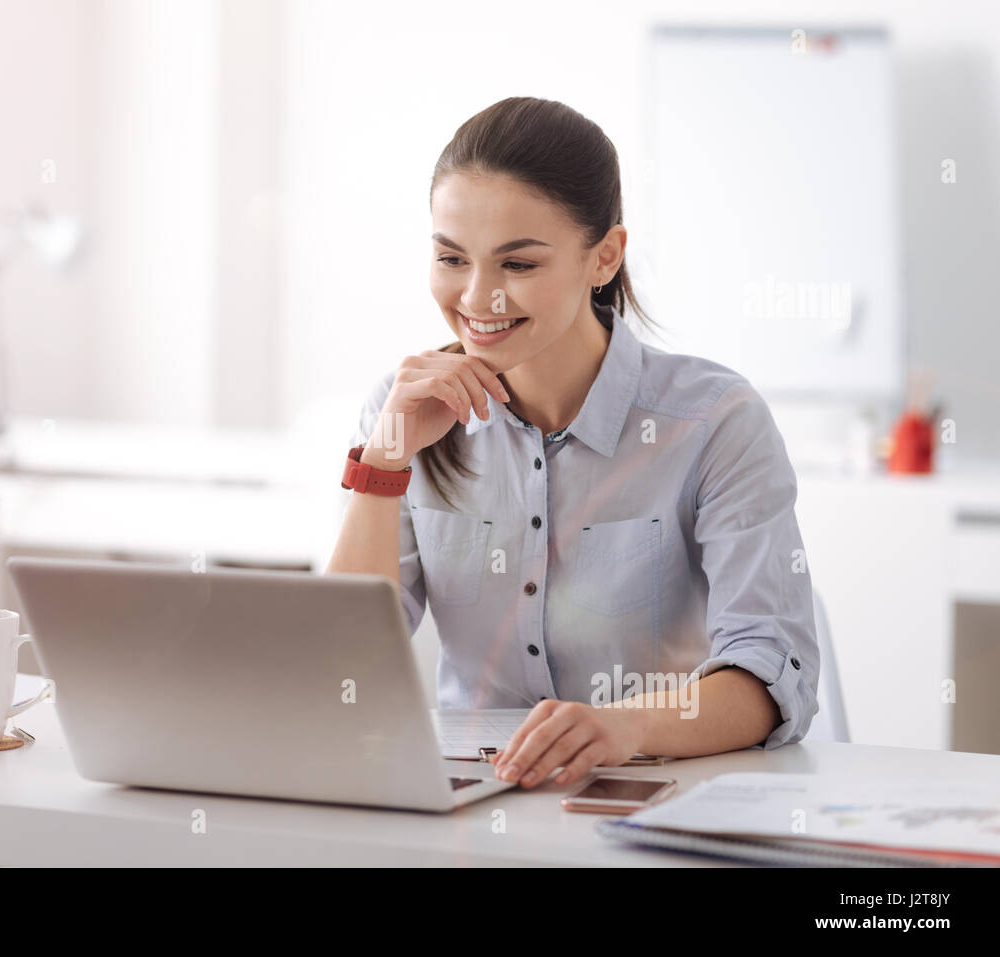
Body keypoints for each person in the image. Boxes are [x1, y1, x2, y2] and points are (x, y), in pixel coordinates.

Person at [326, 96, 819, 790]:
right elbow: (340, 674)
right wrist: (383, 463)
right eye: (450, 257)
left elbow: (773, 671)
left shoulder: (715, 420)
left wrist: (626, 725)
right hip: (468, 809)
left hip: (656, 799)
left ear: (604, 257)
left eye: (517, 265)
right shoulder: (402, 408)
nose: (477, 297)